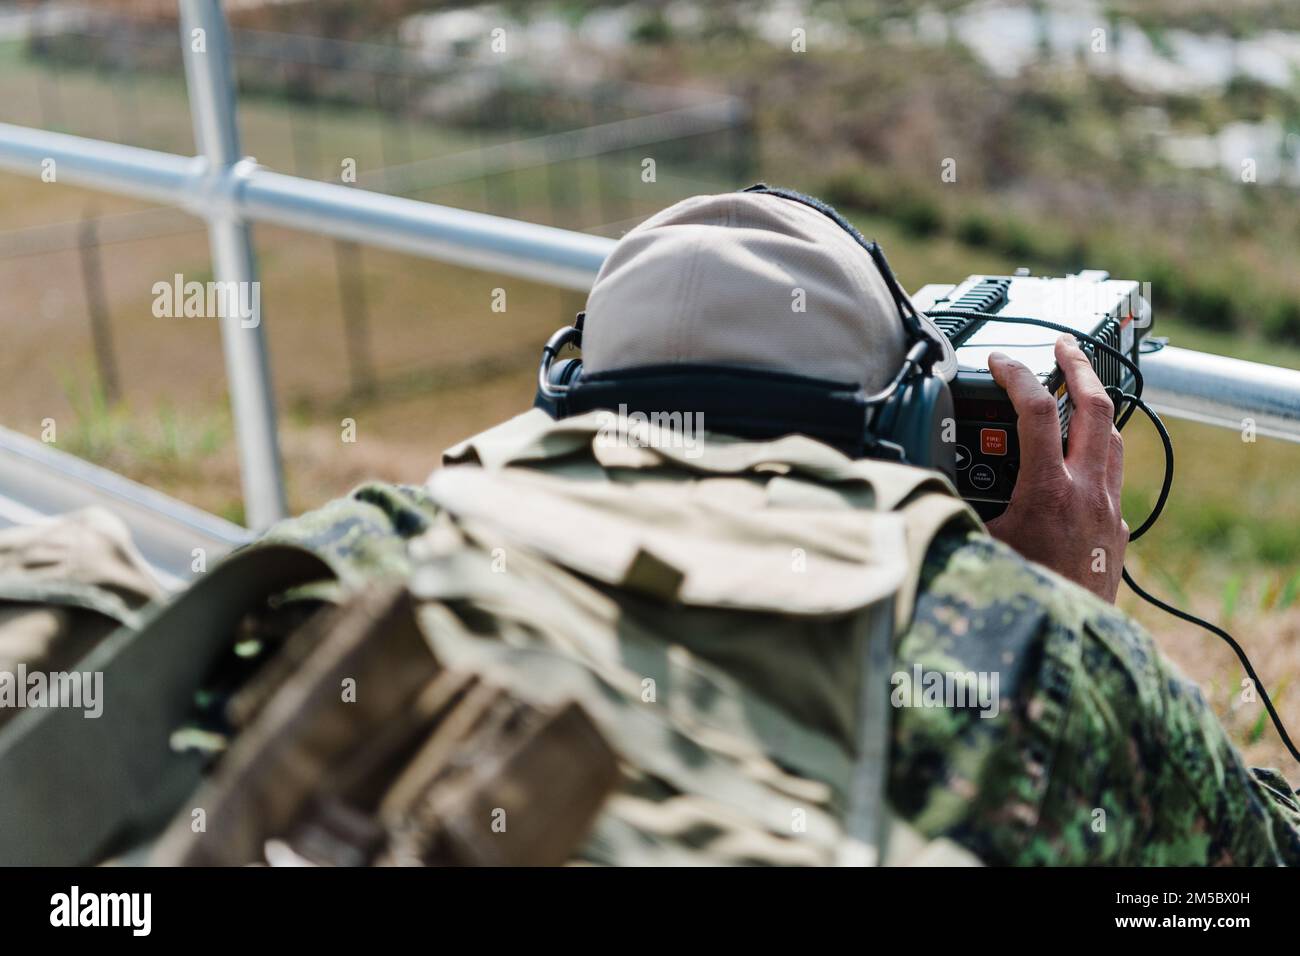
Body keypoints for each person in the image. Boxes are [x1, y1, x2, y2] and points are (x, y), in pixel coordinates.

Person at [5, 188, 1298, 866]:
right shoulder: (1034, 663)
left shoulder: (338, 552)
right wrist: (1067, 609)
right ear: (903, 428)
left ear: (569, 391)